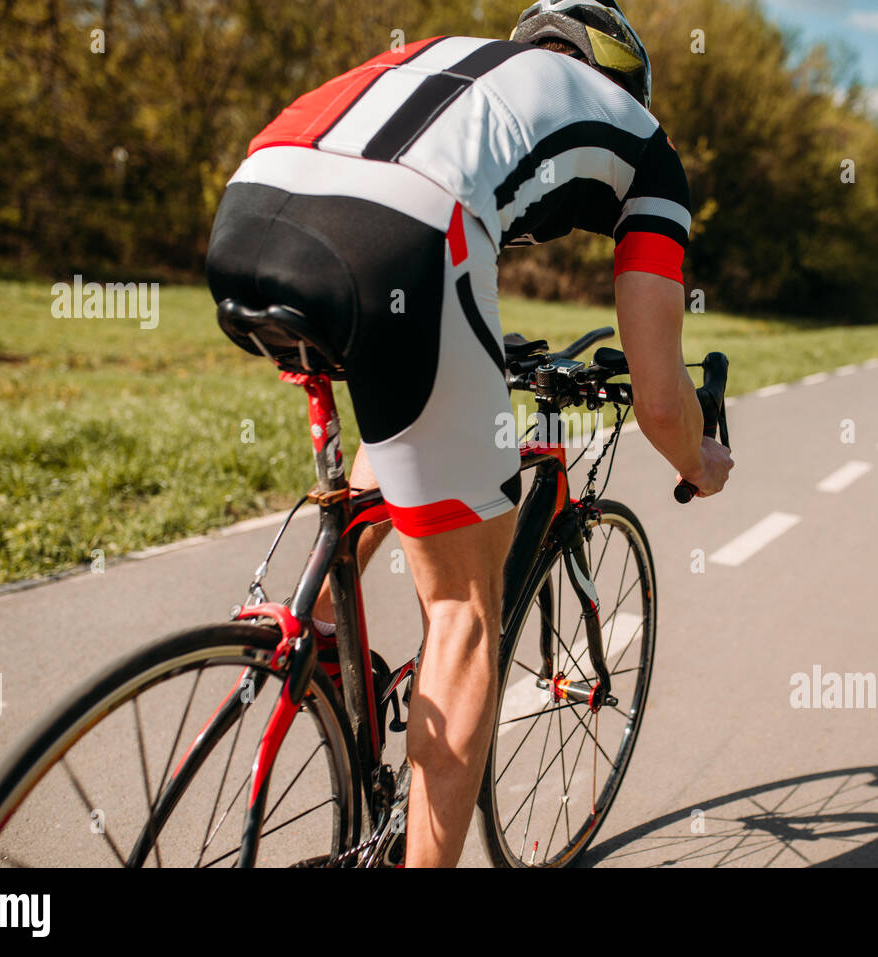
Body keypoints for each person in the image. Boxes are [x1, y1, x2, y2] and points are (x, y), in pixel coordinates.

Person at [204, 0, 734, 867]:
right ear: (627, 80)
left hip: (255, 197)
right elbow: (662, 398)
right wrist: (700, 461)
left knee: (407, 418)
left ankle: (314, 626)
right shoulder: (647, 143)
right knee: (462, 608)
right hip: (401, 222)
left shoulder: (460, 66)